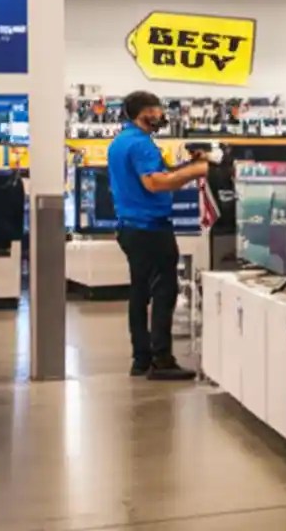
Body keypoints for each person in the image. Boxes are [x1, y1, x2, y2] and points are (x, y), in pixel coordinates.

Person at [108, 91, 210, 380]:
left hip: (130, 228)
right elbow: (154, 183)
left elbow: (159, 173)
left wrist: (187, 165)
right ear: (144, 113)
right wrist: (198, 171)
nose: (161, 115)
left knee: (139, 293)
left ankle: (141, 358)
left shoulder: (121, 142)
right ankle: (162, 360)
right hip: (151, 229)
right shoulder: (140, 145)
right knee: (164, 292)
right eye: (156, 110)